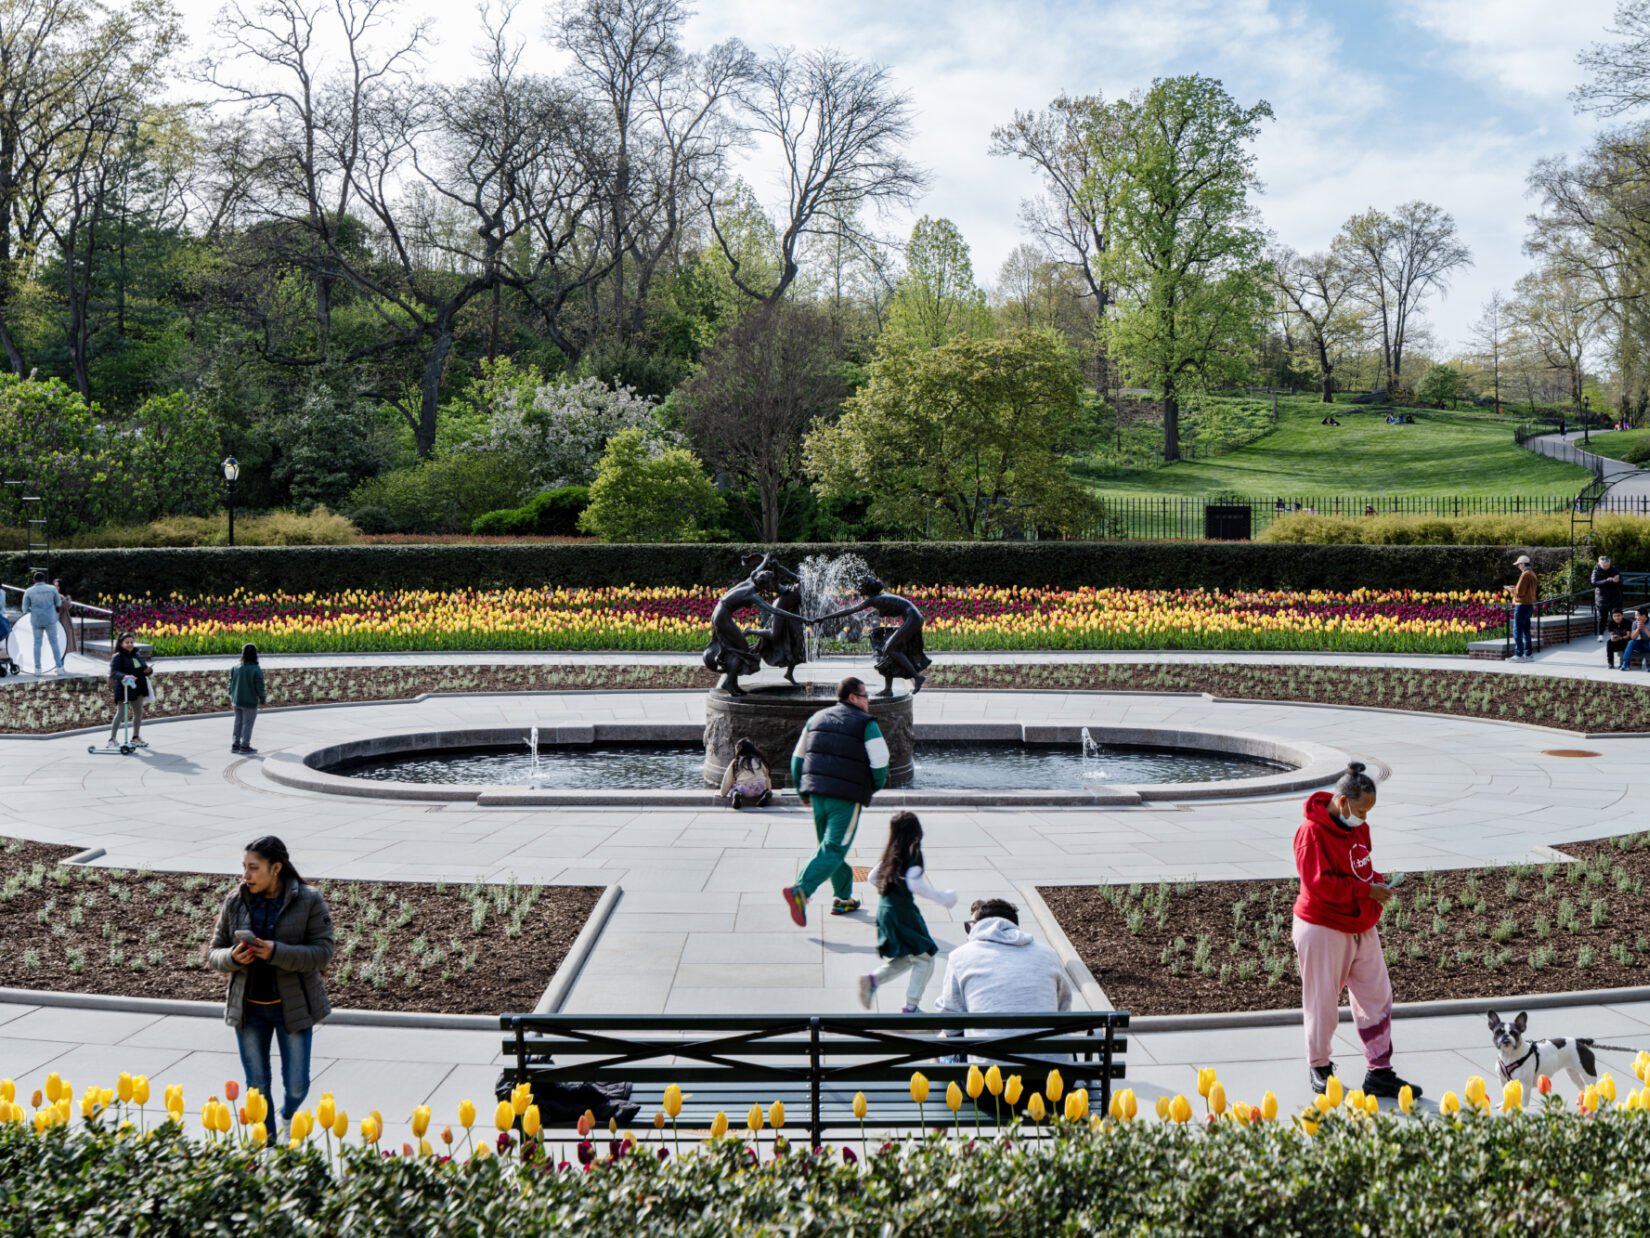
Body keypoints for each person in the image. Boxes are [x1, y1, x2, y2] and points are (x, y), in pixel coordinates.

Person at [1292, 762, 1420, 1100]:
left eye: (1368, 812)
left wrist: (1376, 882)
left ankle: (1379, 1071)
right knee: (1322, 1001)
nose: (1364, 819)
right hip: (1322, 925)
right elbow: (1319, 885)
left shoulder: (1358, 826)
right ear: (1342, 801)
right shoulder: (1311, 832)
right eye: (1361, 811)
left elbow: (1360, 867)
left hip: (1359, 923)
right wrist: (1367, 890)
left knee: (1376, 996)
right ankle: (1319, 1066)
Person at [208, 836, 335, 1142]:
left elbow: (323, 952)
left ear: (276, 868)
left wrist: (275, 951)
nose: (246, 875)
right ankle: (268, 1144)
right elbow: (214, 952)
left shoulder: (309, 900)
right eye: (244, 867)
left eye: (253, 868)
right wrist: (232, 957)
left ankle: (287, 1115)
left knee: (297, 1087)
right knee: (257, 1086)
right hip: (249, 1009)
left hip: (293, 1008)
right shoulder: (235, 901)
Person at [780, 676, 889, 925]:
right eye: (865, 696)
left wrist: (802, 791)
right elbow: (881, 761)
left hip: (818, 794)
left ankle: (843, 898)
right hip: (846, 797)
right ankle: (801, 891)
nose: (868, 701)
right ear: (853, 698)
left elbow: (797, 759)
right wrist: (873, 786)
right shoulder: (866, 723)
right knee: (834, 849)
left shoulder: (816, 718)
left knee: (829, 848)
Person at [932, 898, 1072, 1049]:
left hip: (988, 1062)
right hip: (1050, 1061)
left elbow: (951, 1023)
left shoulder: (959, 957)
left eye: (969, 927)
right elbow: (1063, 1008)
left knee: (940, 1043)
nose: (967, 936)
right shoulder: (1048, 954)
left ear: (980, 926)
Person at [858, 811, 957, 1013]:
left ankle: (873, 980)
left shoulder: (892, 852)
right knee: (925, 959)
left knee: (909, 957)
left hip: (885, 910)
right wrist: (943, 898)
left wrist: (891, 890)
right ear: (916, 830)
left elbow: (871, 877)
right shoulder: (913, 852)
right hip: (902, 913)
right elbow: (915, 884)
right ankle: (911, 1009)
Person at [106, 632, 151, 748]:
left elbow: (144, 668)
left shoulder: (137, 655)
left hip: (138, 688)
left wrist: (148, 671)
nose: (130, 644)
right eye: (127, 642)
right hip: (124, 688)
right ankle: (112, 739)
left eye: (131, 642)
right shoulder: (117, 656)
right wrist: (125, 676)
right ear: (121, 644)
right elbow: (113, 672)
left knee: (138, 713)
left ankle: (135, 737)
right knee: (121, 713)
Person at [20, 571, 64, 675]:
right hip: (50, 619)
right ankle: (59, 668)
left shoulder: (29, 591)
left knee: (37, 644)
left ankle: (38, 669)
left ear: (34, 580)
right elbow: (58, 603)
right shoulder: (52, 589)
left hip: (36, 620)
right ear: (44, 579)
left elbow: (24, 608)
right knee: (54, 643)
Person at [229, 642, 267, 755]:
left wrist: (232, 695)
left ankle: (235, 744)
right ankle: (245, 746)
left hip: (237, 700)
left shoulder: (235, 667)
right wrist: (262, 701)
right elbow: (260, 687)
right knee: (247, 724)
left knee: (238, 722)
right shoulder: (256, 669)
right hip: (250, 702)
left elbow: (230, 684)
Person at [719, 738, 773, 808]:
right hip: (760, 787)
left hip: (745, 789)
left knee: (732, 789)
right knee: (762, 788)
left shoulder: (736, 761)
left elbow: (727, 778)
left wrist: (723, 793)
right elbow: (766, 776)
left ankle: (736, 794)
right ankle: (765, 793)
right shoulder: (758, 760)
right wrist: (768, 789)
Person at [1504, 553, 1538, 661]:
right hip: (1529, 605)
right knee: (1526, 631)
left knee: (1517, 631)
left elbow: (1520, 592)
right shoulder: (1532, 573)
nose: (1518, 566)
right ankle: (1528, 654)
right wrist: (1515, 587)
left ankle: (1519, 655)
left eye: (1519, 564)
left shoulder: (1525, 575)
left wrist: (1510, 589)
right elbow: (1526, 590)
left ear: (1523, 564)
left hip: (1522, 605)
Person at [1592, 556, 1624, 642]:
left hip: (1614, 597)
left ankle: (1617, 634)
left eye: (1608, 565)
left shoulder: (1614, 569)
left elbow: (1621, 580)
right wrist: (1606, 581)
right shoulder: (1596, 570)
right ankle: (1601, 635)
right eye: (1605, 565)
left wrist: (1617, 581)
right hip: (1602, 598)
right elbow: (1594, 582)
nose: (1607, 567)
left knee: (1616, 617)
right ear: (1599, 564)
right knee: (1603, 617)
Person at [51, 578, 76, 657]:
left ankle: (61, 662)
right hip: (53, 621)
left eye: (58, 586)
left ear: (61, 587)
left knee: (63, 644)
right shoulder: (51, 595)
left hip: (63, 621)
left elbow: (68, 606)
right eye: (54, 586)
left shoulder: (66, 597)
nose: (56, 588)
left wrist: (63, 598)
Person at [1620, 608, 1650, 673]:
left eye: (1637, 615)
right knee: (1631, 642)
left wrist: (1644, 628)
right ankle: (1625, 665)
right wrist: (1638, 629)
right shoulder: (1635, 623)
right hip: (1643, 643)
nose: (1635, 617)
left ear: (1643, 616)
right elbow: (1633, 637)